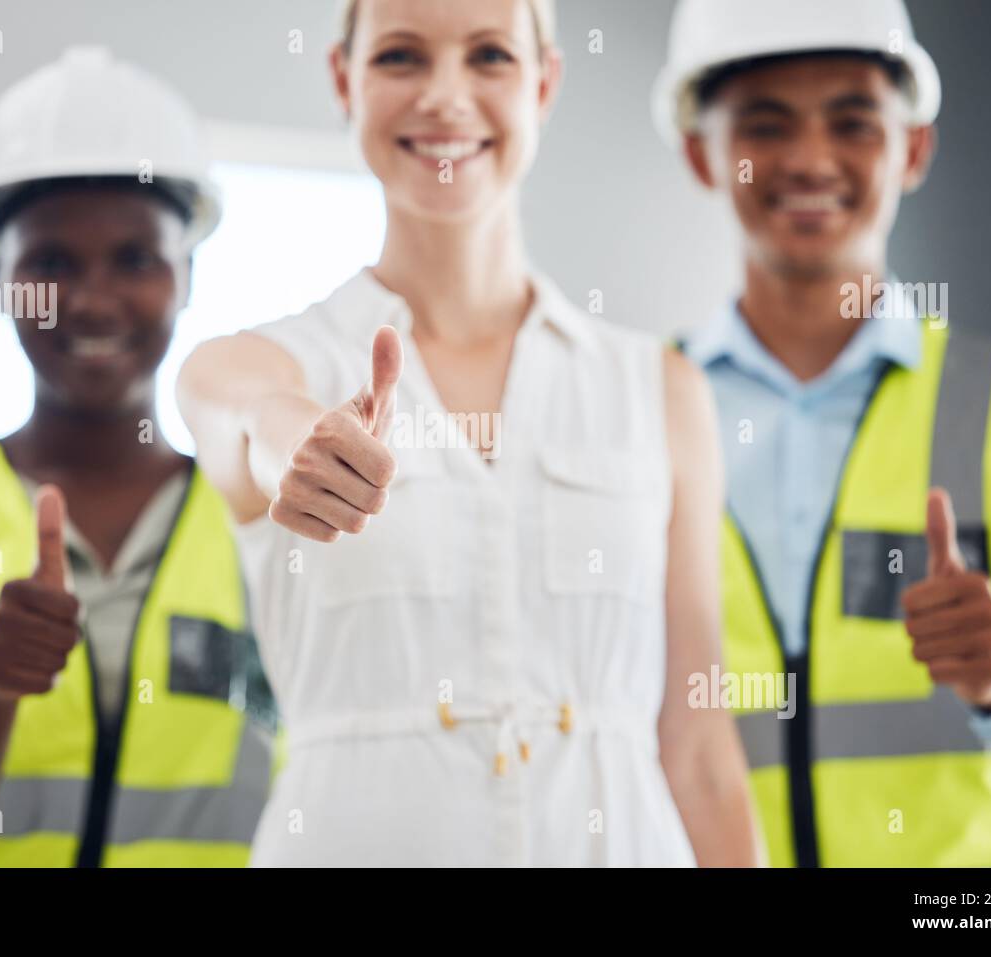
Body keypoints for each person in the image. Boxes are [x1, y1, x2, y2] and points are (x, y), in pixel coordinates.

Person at [177, 0, 759, 867]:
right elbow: (233, 410)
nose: (445, 98)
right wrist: (288, 435)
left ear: (544, 82)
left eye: (489, 56)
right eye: (402, 57)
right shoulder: (261, 363)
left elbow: (699, 749)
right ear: (345, 78)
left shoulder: (659, 390)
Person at [656, 0, 991, 865]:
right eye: (765, 123)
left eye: (852, 121)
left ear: (915, 147)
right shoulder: (632, 409)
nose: (811, 159)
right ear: (702, 154)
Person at [0, 47, 277, 867]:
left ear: (188, 275)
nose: (94, 297)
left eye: (136, 258)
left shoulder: (266, 520)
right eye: (51, 263)